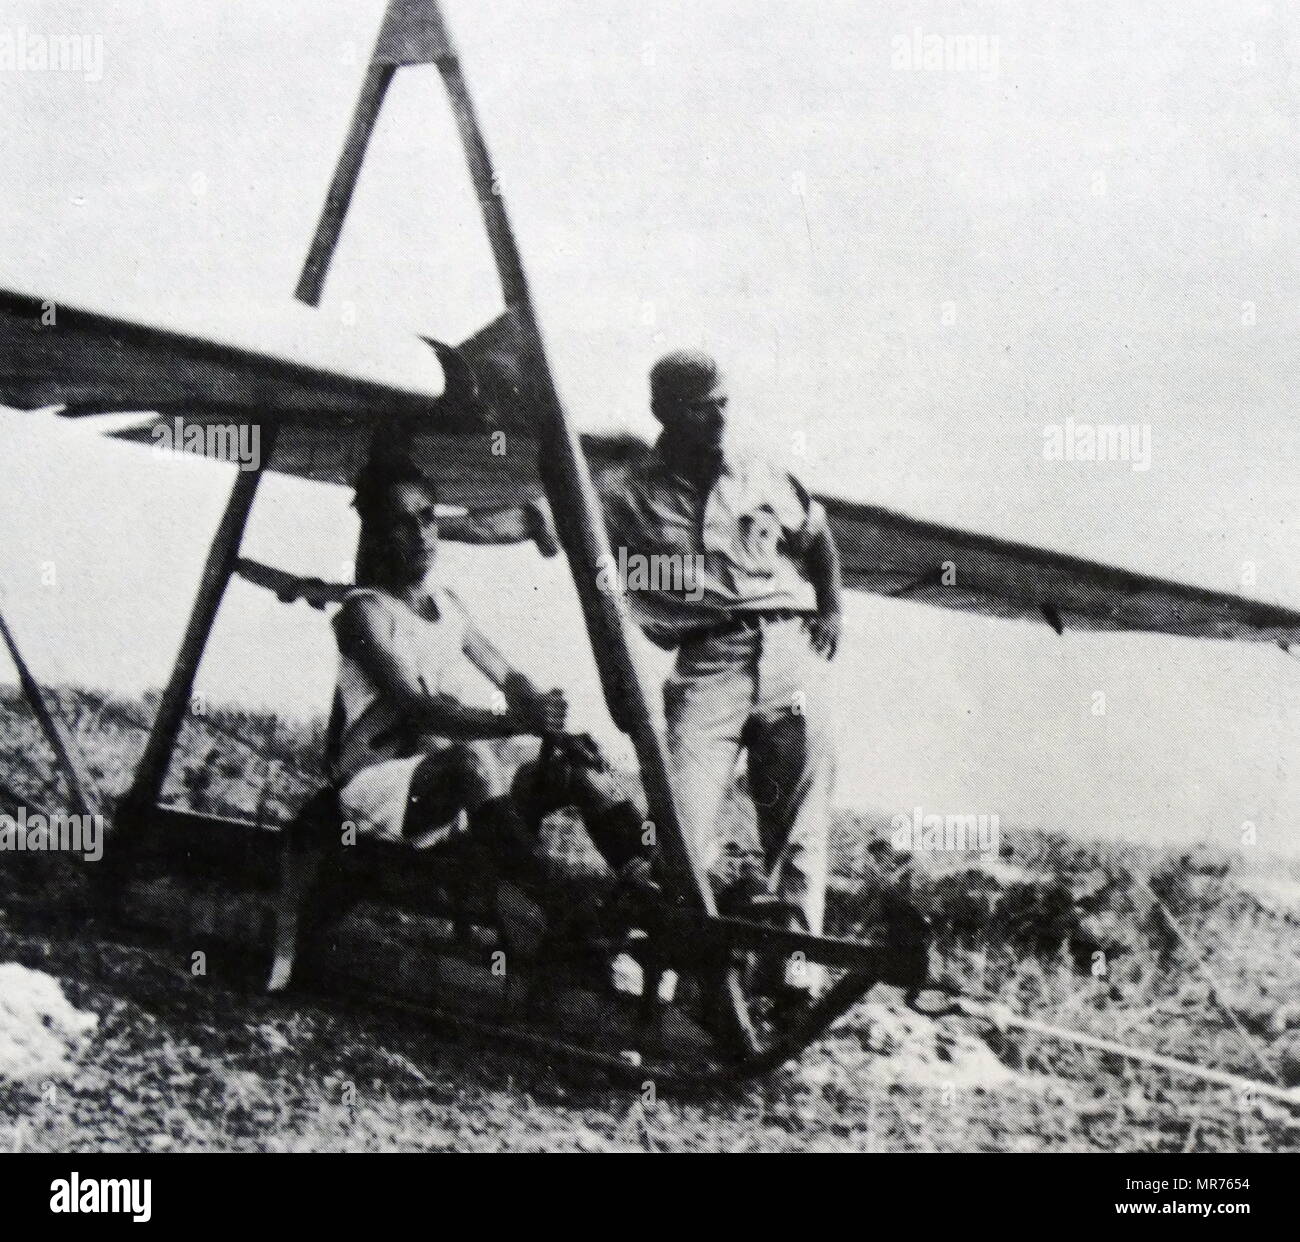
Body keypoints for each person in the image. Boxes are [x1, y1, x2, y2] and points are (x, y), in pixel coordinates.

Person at [328, 451, 655, 960]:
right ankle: (565, 914)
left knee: (572, 763)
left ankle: (653, 884)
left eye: (427, 518)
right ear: (375, 533)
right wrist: (513, 720)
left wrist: (542, 712)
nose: (420, 535)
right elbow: (420, 709)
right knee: (472, 758)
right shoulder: (363, 612)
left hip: (448, 785)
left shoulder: (448, 605)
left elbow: (505, 674)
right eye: (401, 524)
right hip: (381, 789)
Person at [600, 350, 843, 1008]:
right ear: (664, 412)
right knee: (681, 818)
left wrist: (830, 607)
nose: (718, 414)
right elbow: (542, 515)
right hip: (709, 659)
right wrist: (448, 526)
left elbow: (817, 537)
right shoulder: (627, 490)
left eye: (723, 401)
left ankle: (792, 978)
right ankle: (659, 964)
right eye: (701, 404)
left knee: (797, 824)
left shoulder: (760, 470)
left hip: (789, 647)